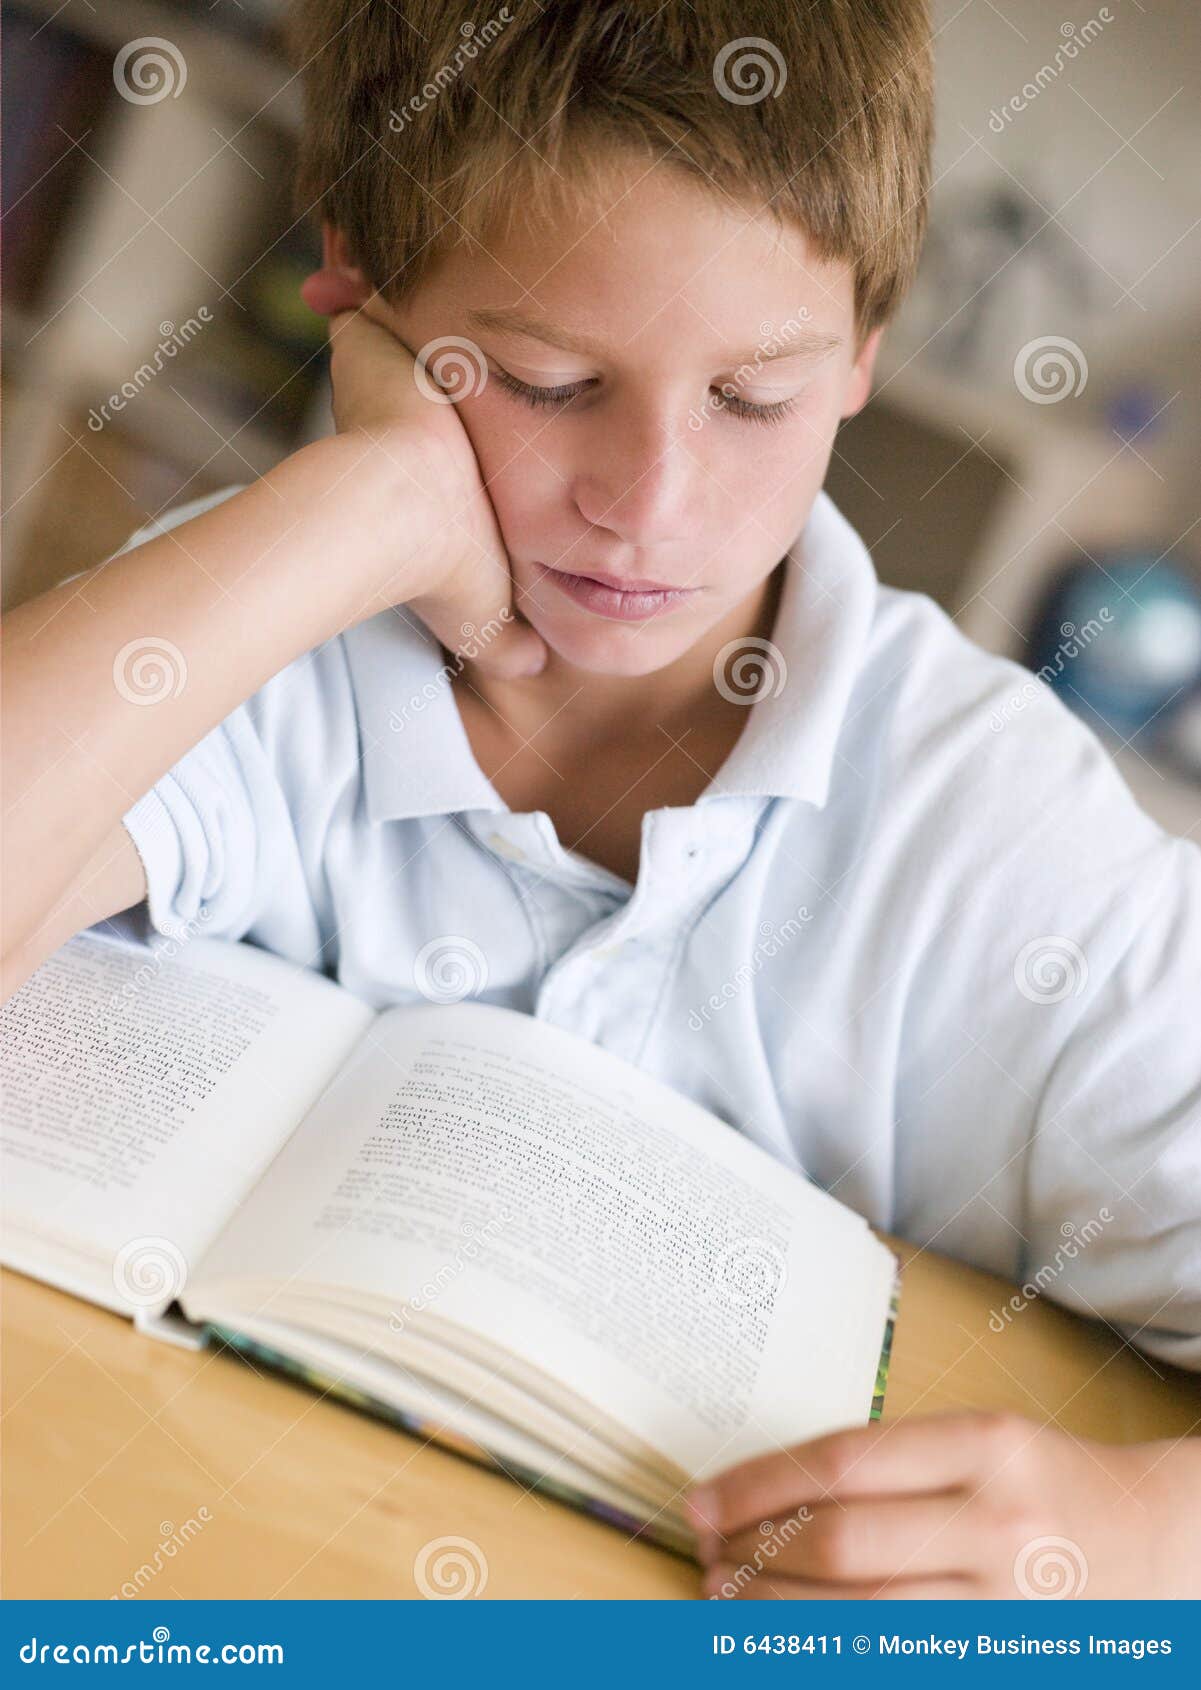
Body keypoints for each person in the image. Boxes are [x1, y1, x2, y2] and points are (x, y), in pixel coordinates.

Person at [4, 0, 1199, 1597]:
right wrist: (357, 511)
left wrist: (1142, 1533)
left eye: (751, 398)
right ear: (357, 292)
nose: (648, 506)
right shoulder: (253, 629)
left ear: (861, 348)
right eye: (544, 379)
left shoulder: (1000, 844)